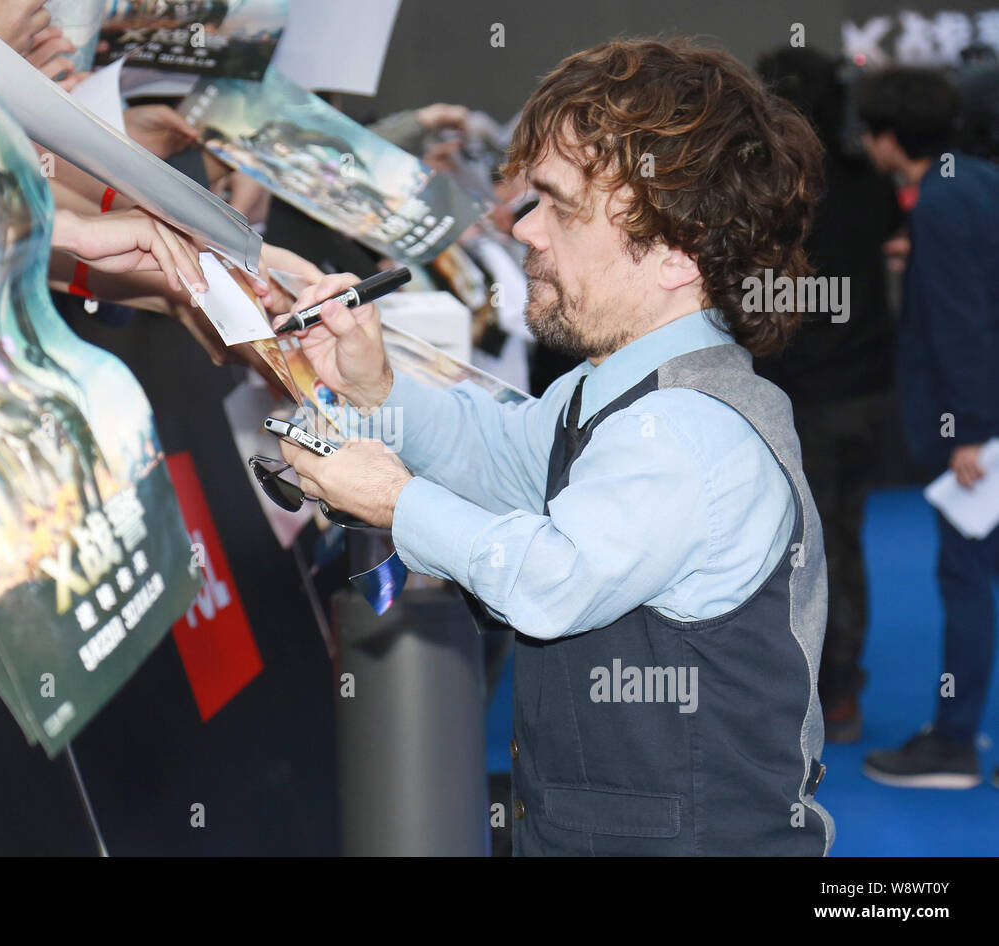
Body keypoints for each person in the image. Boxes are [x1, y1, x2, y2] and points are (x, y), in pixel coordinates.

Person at [275, 38, 833, 855]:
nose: (522, 226)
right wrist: (375, 389)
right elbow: (501, 457)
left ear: (678, 251)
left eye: (559, 206)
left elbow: (551, 579)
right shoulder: (609, 387)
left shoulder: (687, 429)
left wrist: (395, 501)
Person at [754, 46, 902, 743]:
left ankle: (798, 692)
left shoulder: (764, 191)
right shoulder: (869, 182)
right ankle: (837, 692)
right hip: (866, 393)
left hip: (792, 402)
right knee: (841, 542)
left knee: (786, 550)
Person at [857, 68, 999, 789]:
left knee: (966, 579)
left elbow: (964, 325)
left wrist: (970, 432)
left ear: (886, 139)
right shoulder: (973, 179)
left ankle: (952, 744)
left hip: (982, 431)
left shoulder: (941, 202)